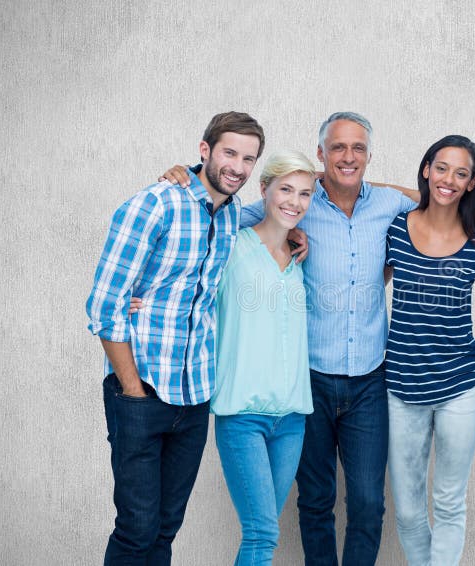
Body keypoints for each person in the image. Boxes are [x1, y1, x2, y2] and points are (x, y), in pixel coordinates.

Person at [158, 112, 417, 566]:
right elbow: (212, 217)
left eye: (358, 148)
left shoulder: (387, 204)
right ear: (321, 156)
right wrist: (187, 175)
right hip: (308, 383)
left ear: (370, 156)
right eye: (337, 147)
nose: (348, 156)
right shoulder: (268, 216)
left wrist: (462, 187)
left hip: (363, 383)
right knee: (311, 504)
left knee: (368, 505)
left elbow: (440, 199)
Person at [86, 111, 265, 565]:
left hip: (195, 397)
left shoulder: (232, 216)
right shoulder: (155, 205)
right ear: (204, 151)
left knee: (165, 529)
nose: (238, 167)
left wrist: (309, 204)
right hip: (141, 392)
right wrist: (132, 389)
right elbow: (105, 306)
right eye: (229, 152)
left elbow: (288, 199)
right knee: (136, 530)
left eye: (249, 158)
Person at [384, 135, 475, 566]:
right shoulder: (397, 228)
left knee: (449, 501)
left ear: (472, 184)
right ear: (427, 169)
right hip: (401, 385)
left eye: (461, 173)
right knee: (409, 507)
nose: (449, 179)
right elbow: (369, 290)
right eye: (442, 167)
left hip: (461, 385)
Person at [211, 150, 316, 565]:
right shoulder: (231, 248)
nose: (294, 202)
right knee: (262, 533)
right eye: (285, 189)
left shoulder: (300, 258)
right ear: (263, 190)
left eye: (305, 193)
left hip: (291, 418)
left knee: (263, 532)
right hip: (242, 415)